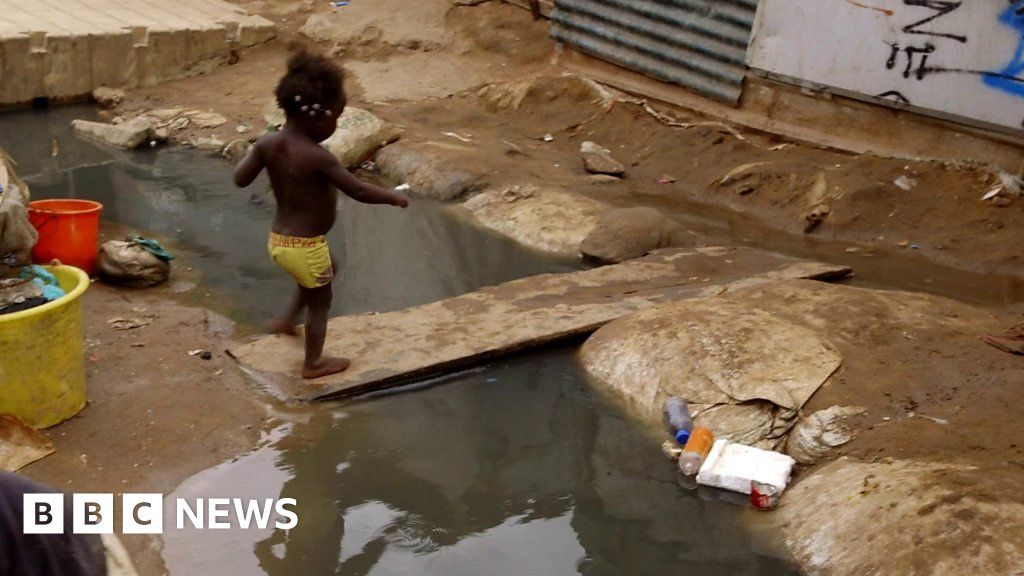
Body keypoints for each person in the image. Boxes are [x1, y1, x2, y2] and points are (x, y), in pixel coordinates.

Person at [234, 50, 409, 379]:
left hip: (278, 242)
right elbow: (357, 189)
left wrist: (261, 149)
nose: (336, 125)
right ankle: (313, 363)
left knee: (323, 271)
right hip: (305, 246)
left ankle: (286, 321)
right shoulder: (318, 156)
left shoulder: (268, 143)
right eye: (337, 118)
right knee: (320, 301)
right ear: (319, 116)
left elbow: (240, 179)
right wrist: (391, 197)